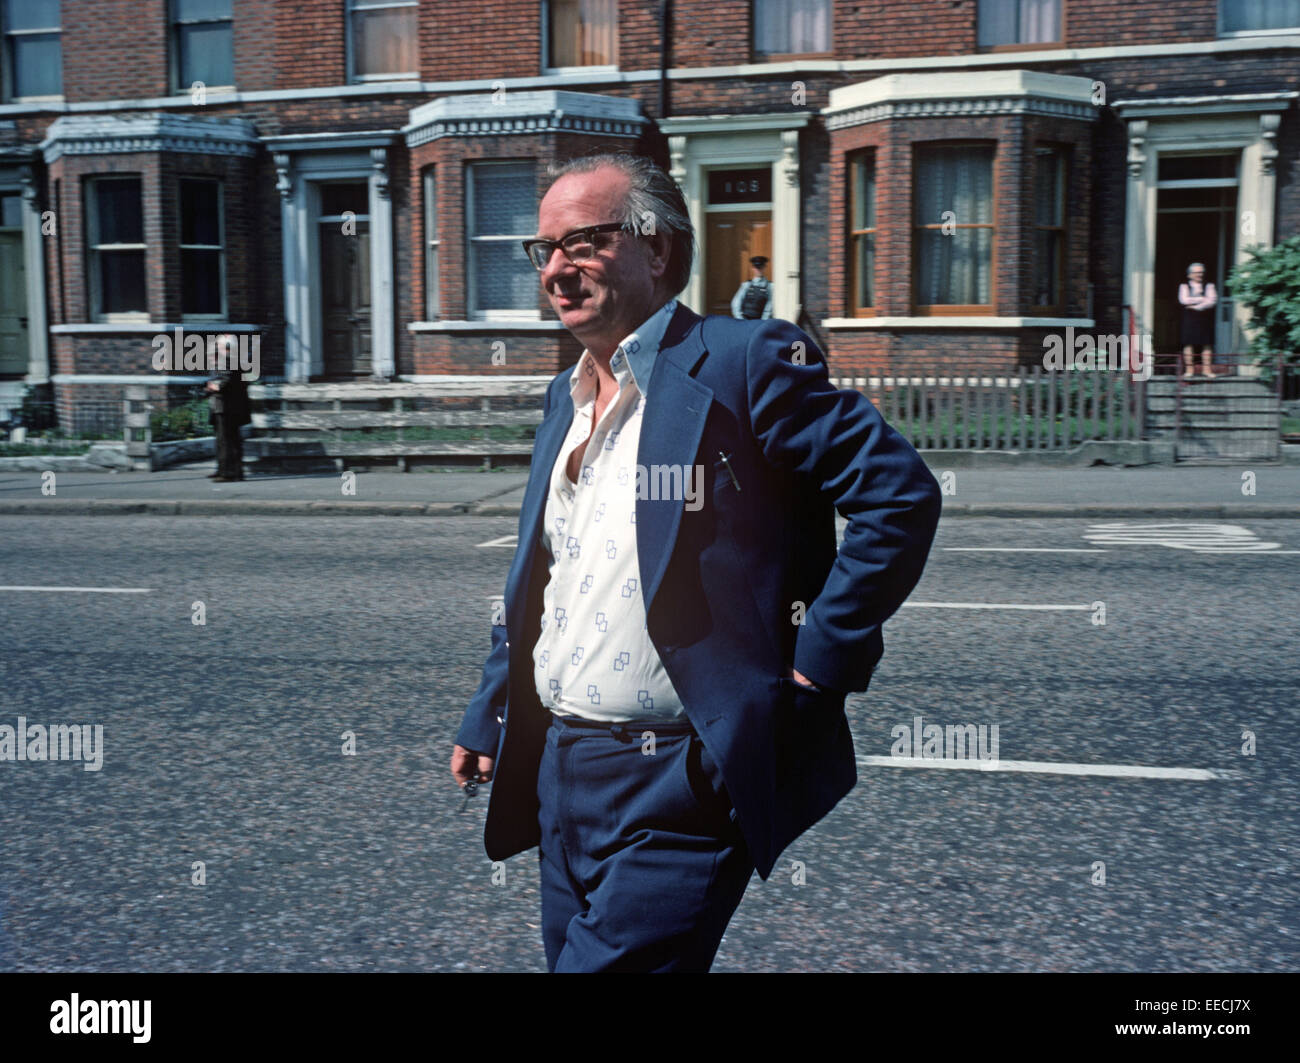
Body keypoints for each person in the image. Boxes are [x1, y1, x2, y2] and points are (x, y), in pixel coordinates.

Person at [449, 153, 941, 972]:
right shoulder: (563, 394)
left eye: (583, 243)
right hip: (559, 768)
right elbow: (549, 573)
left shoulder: (744, 361)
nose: (557, 271)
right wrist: (491, 706)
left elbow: (899, 496)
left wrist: (820, 661)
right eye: (544, 251)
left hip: (681, 777)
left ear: (659, 251)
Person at [205, 347, 250, 481]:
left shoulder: (227, 363)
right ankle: (224, 469)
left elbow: (224, 382)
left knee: (226, 441)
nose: (210, 358)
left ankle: (228, 473)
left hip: (226, 408)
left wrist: (211, 387)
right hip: (223, 407)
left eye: (211, 355)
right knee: (225, 441)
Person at [1179, 262, 1217, 379]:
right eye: (1196, 272)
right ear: (1189, 275)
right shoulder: (1184, 286)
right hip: (1189, 318)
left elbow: (1212, 301)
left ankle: (1207, 369)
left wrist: (1196, 305)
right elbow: (1183, 300)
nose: (1199, 275)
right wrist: (1202, 299)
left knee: (1206, 343)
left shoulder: (1209, 286)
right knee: (1188, 343)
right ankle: (1189, 370)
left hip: (1205, 317)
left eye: (1201, 272)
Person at [730, 255, 774, 319]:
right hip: (745, 320)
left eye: (761, 267)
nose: (758, 270)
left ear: (764, 268)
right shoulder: (746, 285)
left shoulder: (770, 286)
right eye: (756, 267)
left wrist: (763, 321)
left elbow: (770, 305)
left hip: (760, 322)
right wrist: (740, 319)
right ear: (752, 268)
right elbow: (736, 302)